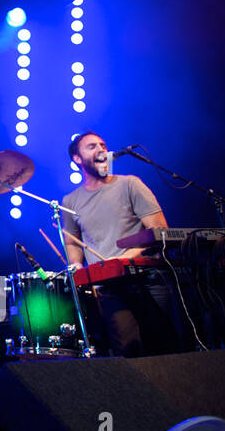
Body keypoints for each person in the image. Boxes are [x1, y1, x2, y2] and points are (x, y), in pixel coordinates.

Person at [61, 131, 184, 356]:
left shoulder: (130, 184)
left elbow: (159, 231)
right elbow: (72, 242)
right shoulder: (70, 201)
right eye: (91, 146)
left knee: (164, 346)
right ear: (77, 159)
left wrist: (126, 257)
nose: (100, 149)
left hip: (148, 278)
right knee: (128, 349)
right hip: (108, 286)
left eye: (102, 144)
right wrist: (77, 266)